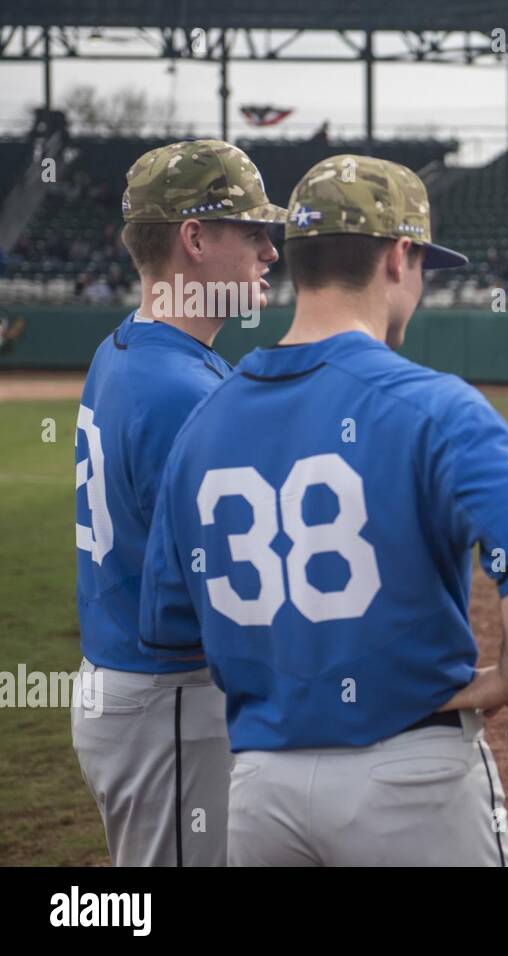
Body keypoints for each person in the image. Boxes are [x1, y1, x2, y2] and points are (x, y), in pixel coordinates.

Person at [138, 155, 508, 866]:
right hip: (410, 778)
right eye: (422, 265)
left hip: (259, 788)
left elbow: (168, 625)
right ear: (399, 255)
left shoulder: (203, 422)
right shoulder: (432, 404)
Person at [72, 139, 286, 866]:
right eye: (253, 232)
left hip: (135, 690)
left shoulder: (131, 350)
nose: (271, 252)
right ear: (194, 239)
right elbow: (232, 592)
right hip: (167, 698)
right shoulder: (181, 389)